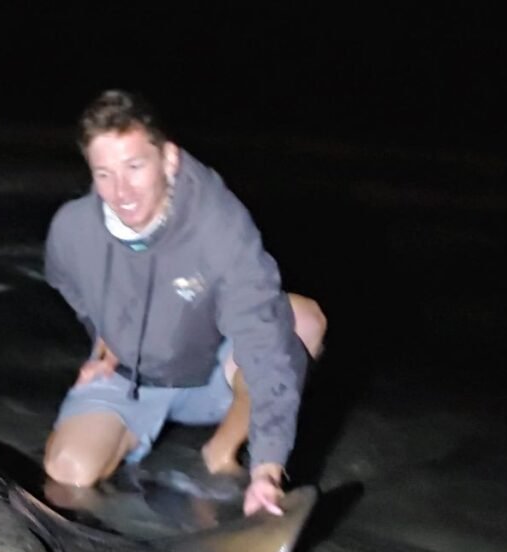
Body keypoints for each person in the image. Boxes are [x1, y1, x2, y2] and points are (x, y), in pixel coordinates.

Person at [42, 89, 327, 517]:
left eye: (135, 167)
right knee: (68, 472)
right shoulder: (72, 231)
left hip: (211, 367)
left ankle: (223, 448)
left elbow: (263, 340)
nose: (121, 192)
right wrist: (106, 343)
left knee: (301, 321)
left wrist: (268, 468)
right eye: (104, 174)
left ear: (169, 159)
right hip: (132, 375)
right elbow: (70, 287)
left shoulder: (219, 224)